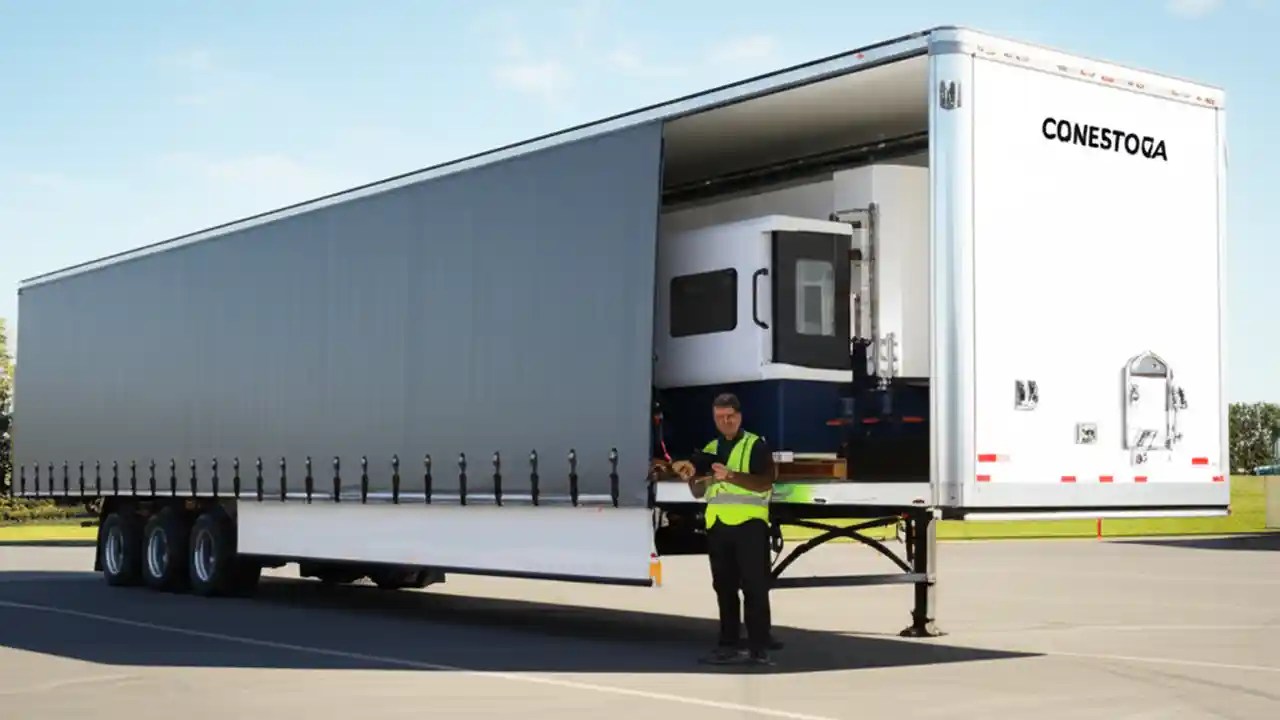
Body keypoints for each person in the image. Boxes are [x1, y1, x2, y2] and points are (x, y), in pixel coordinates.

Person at [671, 392, 777, 665]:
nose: (725, 421)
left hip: (750, 524)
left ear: (739, 416)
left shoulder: (756, 445)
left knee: (755, 587)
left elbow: (765, 482)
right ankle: (727, 644)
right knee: (724, 587)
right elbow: (697, 492)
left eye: (730, 416)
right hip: (718, 525)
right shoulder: (709, 449)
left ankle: (758, 647)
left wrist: (730, 475)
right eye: (720, 417)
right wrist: (690, 475)